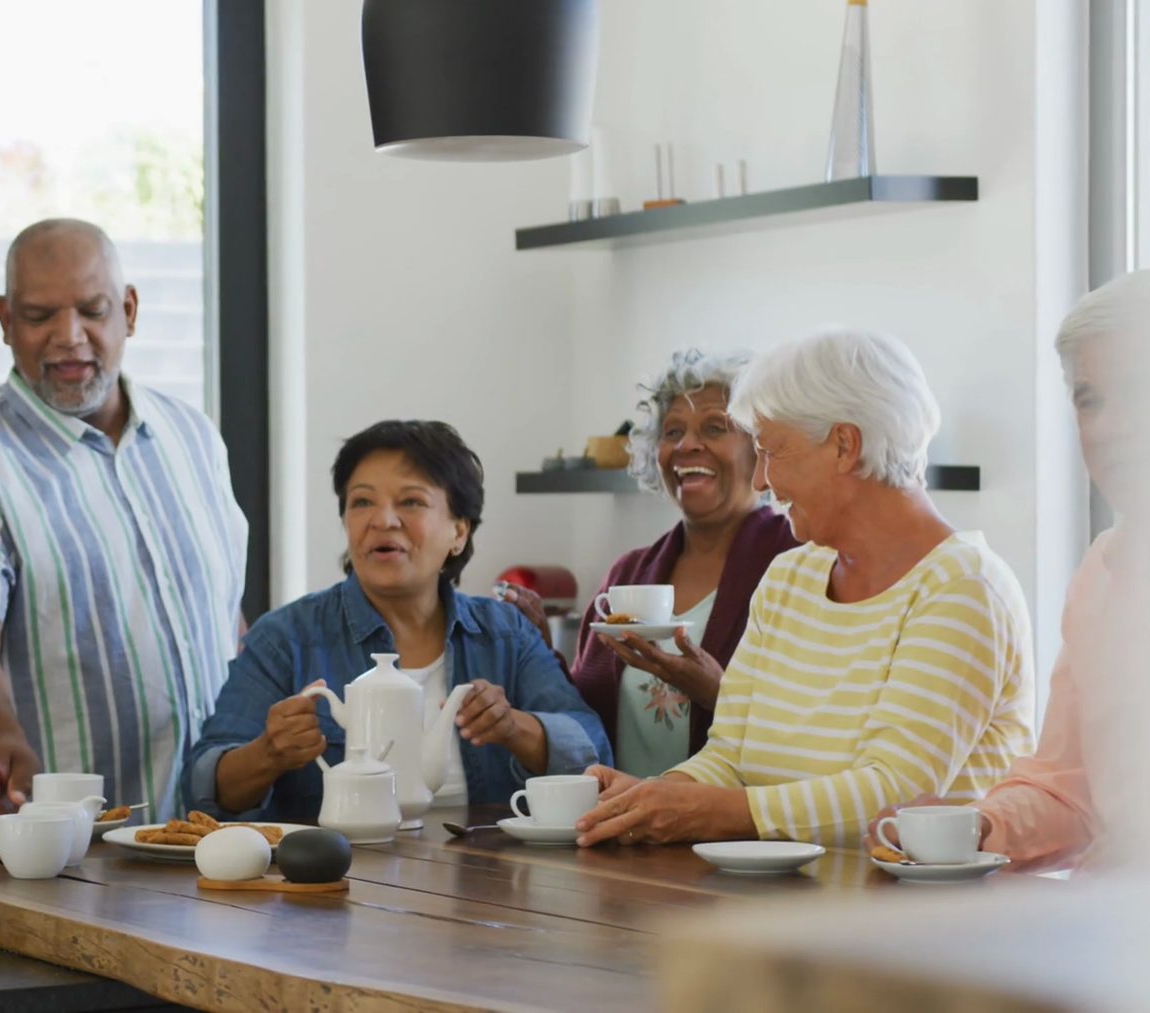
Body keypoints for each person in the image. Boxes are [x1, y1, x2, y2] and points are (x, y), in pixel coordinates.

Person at [574, 327, 1036, 848]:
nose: (761, 482)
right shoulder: (790, 577)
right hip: (785, 908)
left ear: (843, 445)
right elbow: (729, 754)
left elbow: (893, 793)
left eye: (773, 452)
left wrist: (716, 811)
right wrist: (652, 798)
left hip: (916, 918)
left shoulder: (962, 589)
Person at [0, 219, 248, 835]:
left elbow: (221, 615)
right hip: (37, 853)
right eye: (39, 316)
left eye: (92, 309)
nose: (69, 337)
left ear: (129, 311)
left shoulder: (193, 439)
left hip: (188, 847)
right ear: (5, 321)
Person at [867, 271, 1150, 872]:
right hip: (1116, 936)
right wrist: (979, 825)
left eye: (1143, 392)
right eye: (1091, 400)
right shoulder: (1101, 576)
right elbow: (1067, 787)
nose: (1110, 428)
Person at [185, 421, 610, 821]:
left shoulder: (506, 633)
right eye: (362, 502)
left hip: (492, 882)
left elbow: (596, 755)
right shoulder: (286, 639)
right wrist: (268, 754)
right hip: (334, 885)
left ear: (459, 532)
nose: (382, 520)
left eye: (411, 501)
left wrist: (514, 726)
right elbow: (204, 786)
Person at [504, 350, 799, 776]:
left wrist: (719, 695)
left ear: (762, 448)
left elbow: (820, 732)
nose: (685, 445)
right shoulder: (628, 574)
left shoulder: (797, 565)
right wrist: (539, 653)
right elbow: (590, 717)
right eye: (672, 430)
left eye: (714, 427)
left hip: (731, 836)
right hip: (624, 827)